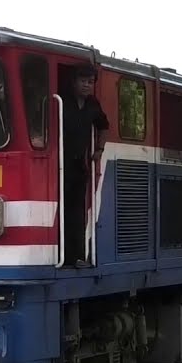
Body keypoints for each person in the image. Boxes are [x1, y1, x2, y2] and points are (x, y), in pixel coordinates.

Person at [60, 64, 109, 267]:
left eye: (90, 82)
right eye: (83, 81)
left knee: (77, 211)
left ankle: (76, 256)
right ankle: (59, 254)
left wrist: (99, 149)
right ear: (74, 82)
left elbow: (104, 125)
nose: (87, 85)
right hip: (59, 164)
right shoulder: (61, 100)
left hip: (79, 165)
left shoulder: (93, 104)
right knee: (61, 209)